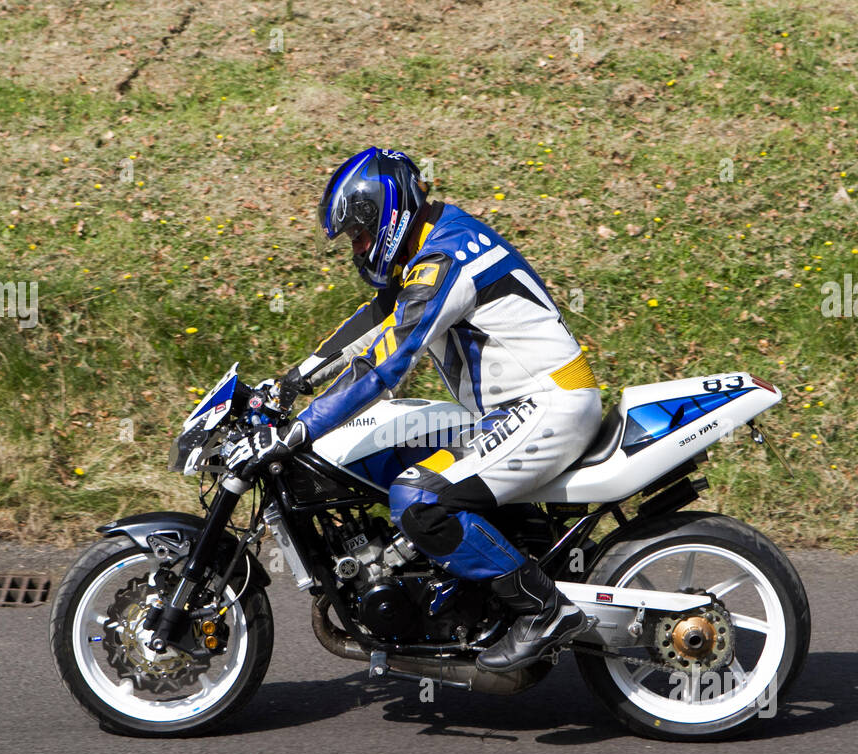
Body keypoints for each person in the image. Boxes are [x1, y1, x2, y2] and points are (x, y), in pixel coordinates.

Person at [227, 148, 602, 672]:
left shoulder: (444, 259)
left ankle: (543, 610)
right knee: (394, 457)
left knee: (419, 497)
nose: (358, 249)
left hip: (547, 405)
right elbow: (377, 319)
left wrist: (301, 429)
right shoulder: (430, 247)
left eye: (359, 234)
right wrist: (290, 384)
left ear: (385, 213)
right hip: (517, 407)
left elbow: (386, 362)